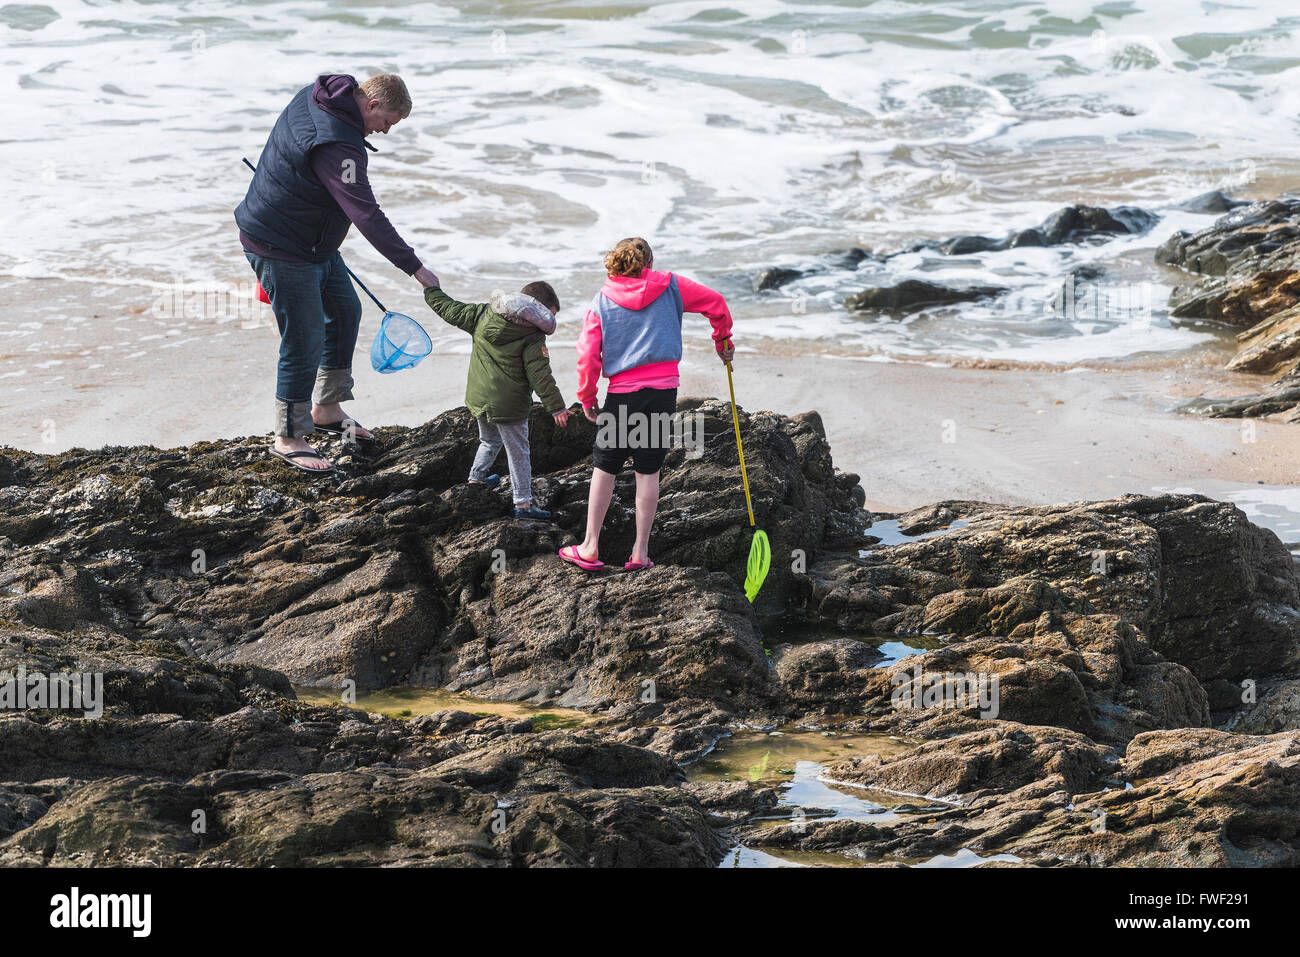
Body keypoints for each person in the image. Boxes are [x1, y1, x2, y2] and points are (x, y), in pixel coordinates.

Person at [236, 73, 440, 473]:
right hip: (280, 244)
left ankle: (326, 407)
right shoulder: (337, 142)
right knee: (305, 334)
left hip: (311, 238)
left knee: (346, 311)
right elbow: (364, 212)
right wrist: (414, 267)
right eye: (388, 123)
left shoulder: (320, 97)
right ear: (373, 105)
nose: (385, 131)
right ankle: (289, 435)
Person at [559, 237, 734, 572]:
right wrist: (722, 339)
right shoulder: (671, 286)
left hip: (622, 394)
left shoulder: (601, 301)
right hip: (662, 392)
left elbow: (587, 356)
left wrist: (587, 397)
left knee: (605, 468)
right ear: (649, 263)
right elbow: (716, 302)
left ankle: (591, 546)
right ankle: (639, 553)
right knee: (648, 472)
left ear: (614, 264)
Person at [423, 280, 570, 518]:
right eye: (549, 314)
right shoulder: (532, 336)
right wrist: (557, 408)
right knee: (519, 452)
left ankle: (476, 479)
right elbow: (540, 376)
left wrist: (431, 290)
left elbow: (449, 309)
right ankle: (523, 505)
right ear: (538, 310)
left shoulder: (482, 314)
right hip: (509, 406)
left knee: (489, 440)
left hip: (479, 397)